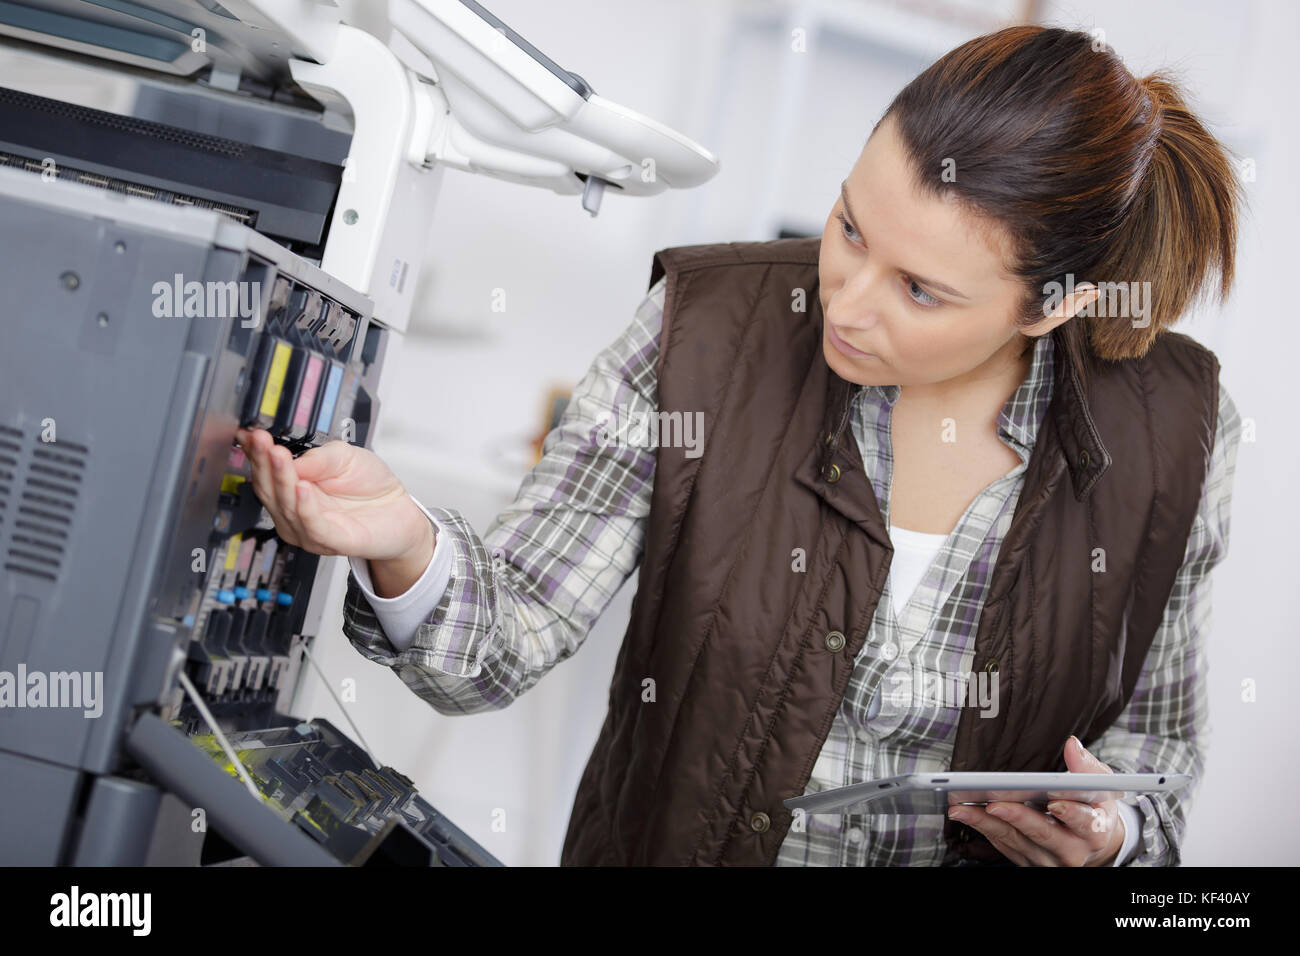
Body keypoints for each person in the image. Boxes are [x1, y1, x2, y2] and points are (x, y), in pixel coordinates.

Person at [235, 24, 1242, 866]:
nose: (845, 303)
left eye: (919, 289)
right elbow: (500, 643)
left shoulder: (1175, 433)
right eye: (849, 227)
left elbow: (1152, 759)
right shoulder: (704, 330)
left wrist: (1107, 833)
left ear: (1051, 304)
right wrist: (402, 538)